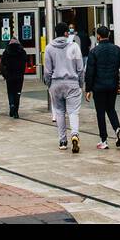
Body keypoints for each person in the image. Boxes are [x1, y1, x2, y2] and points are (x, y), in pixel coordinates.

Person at [84, 25, 120, 149]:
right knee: (111, 109)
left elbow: (90, 72)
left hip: (98, 87)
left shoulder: (94, 52)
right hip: (112, 85)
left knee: (100, 112)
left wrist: (88, 89)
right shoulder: (117, 50)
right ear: (108, 35)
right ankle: (117, 129)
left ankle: (103, 140)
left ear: (98, 36)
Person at [43, 21, 85, 152]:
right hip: (72, 82)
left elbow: (47, 70)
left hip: (56, 83)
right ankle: (74, 134)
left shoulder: (49, 47)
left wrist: (49, 83)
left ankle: (62, 141)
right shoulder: (74, 46)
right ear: (66, 33)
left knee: (60, 112)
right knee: (73, 111)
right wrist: (81, 83)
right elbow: (80, 68)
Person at [0, 37, 27, 117]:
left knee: (10, 91)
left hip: (9, 75)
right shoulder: (22, 52)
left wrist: (4, 74)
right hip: (19, 76)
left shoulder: (6, 52)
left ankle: (11, 105)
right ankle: (16, 111)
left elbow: (3, 63)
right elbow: (24, 62)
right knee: (17, 92)